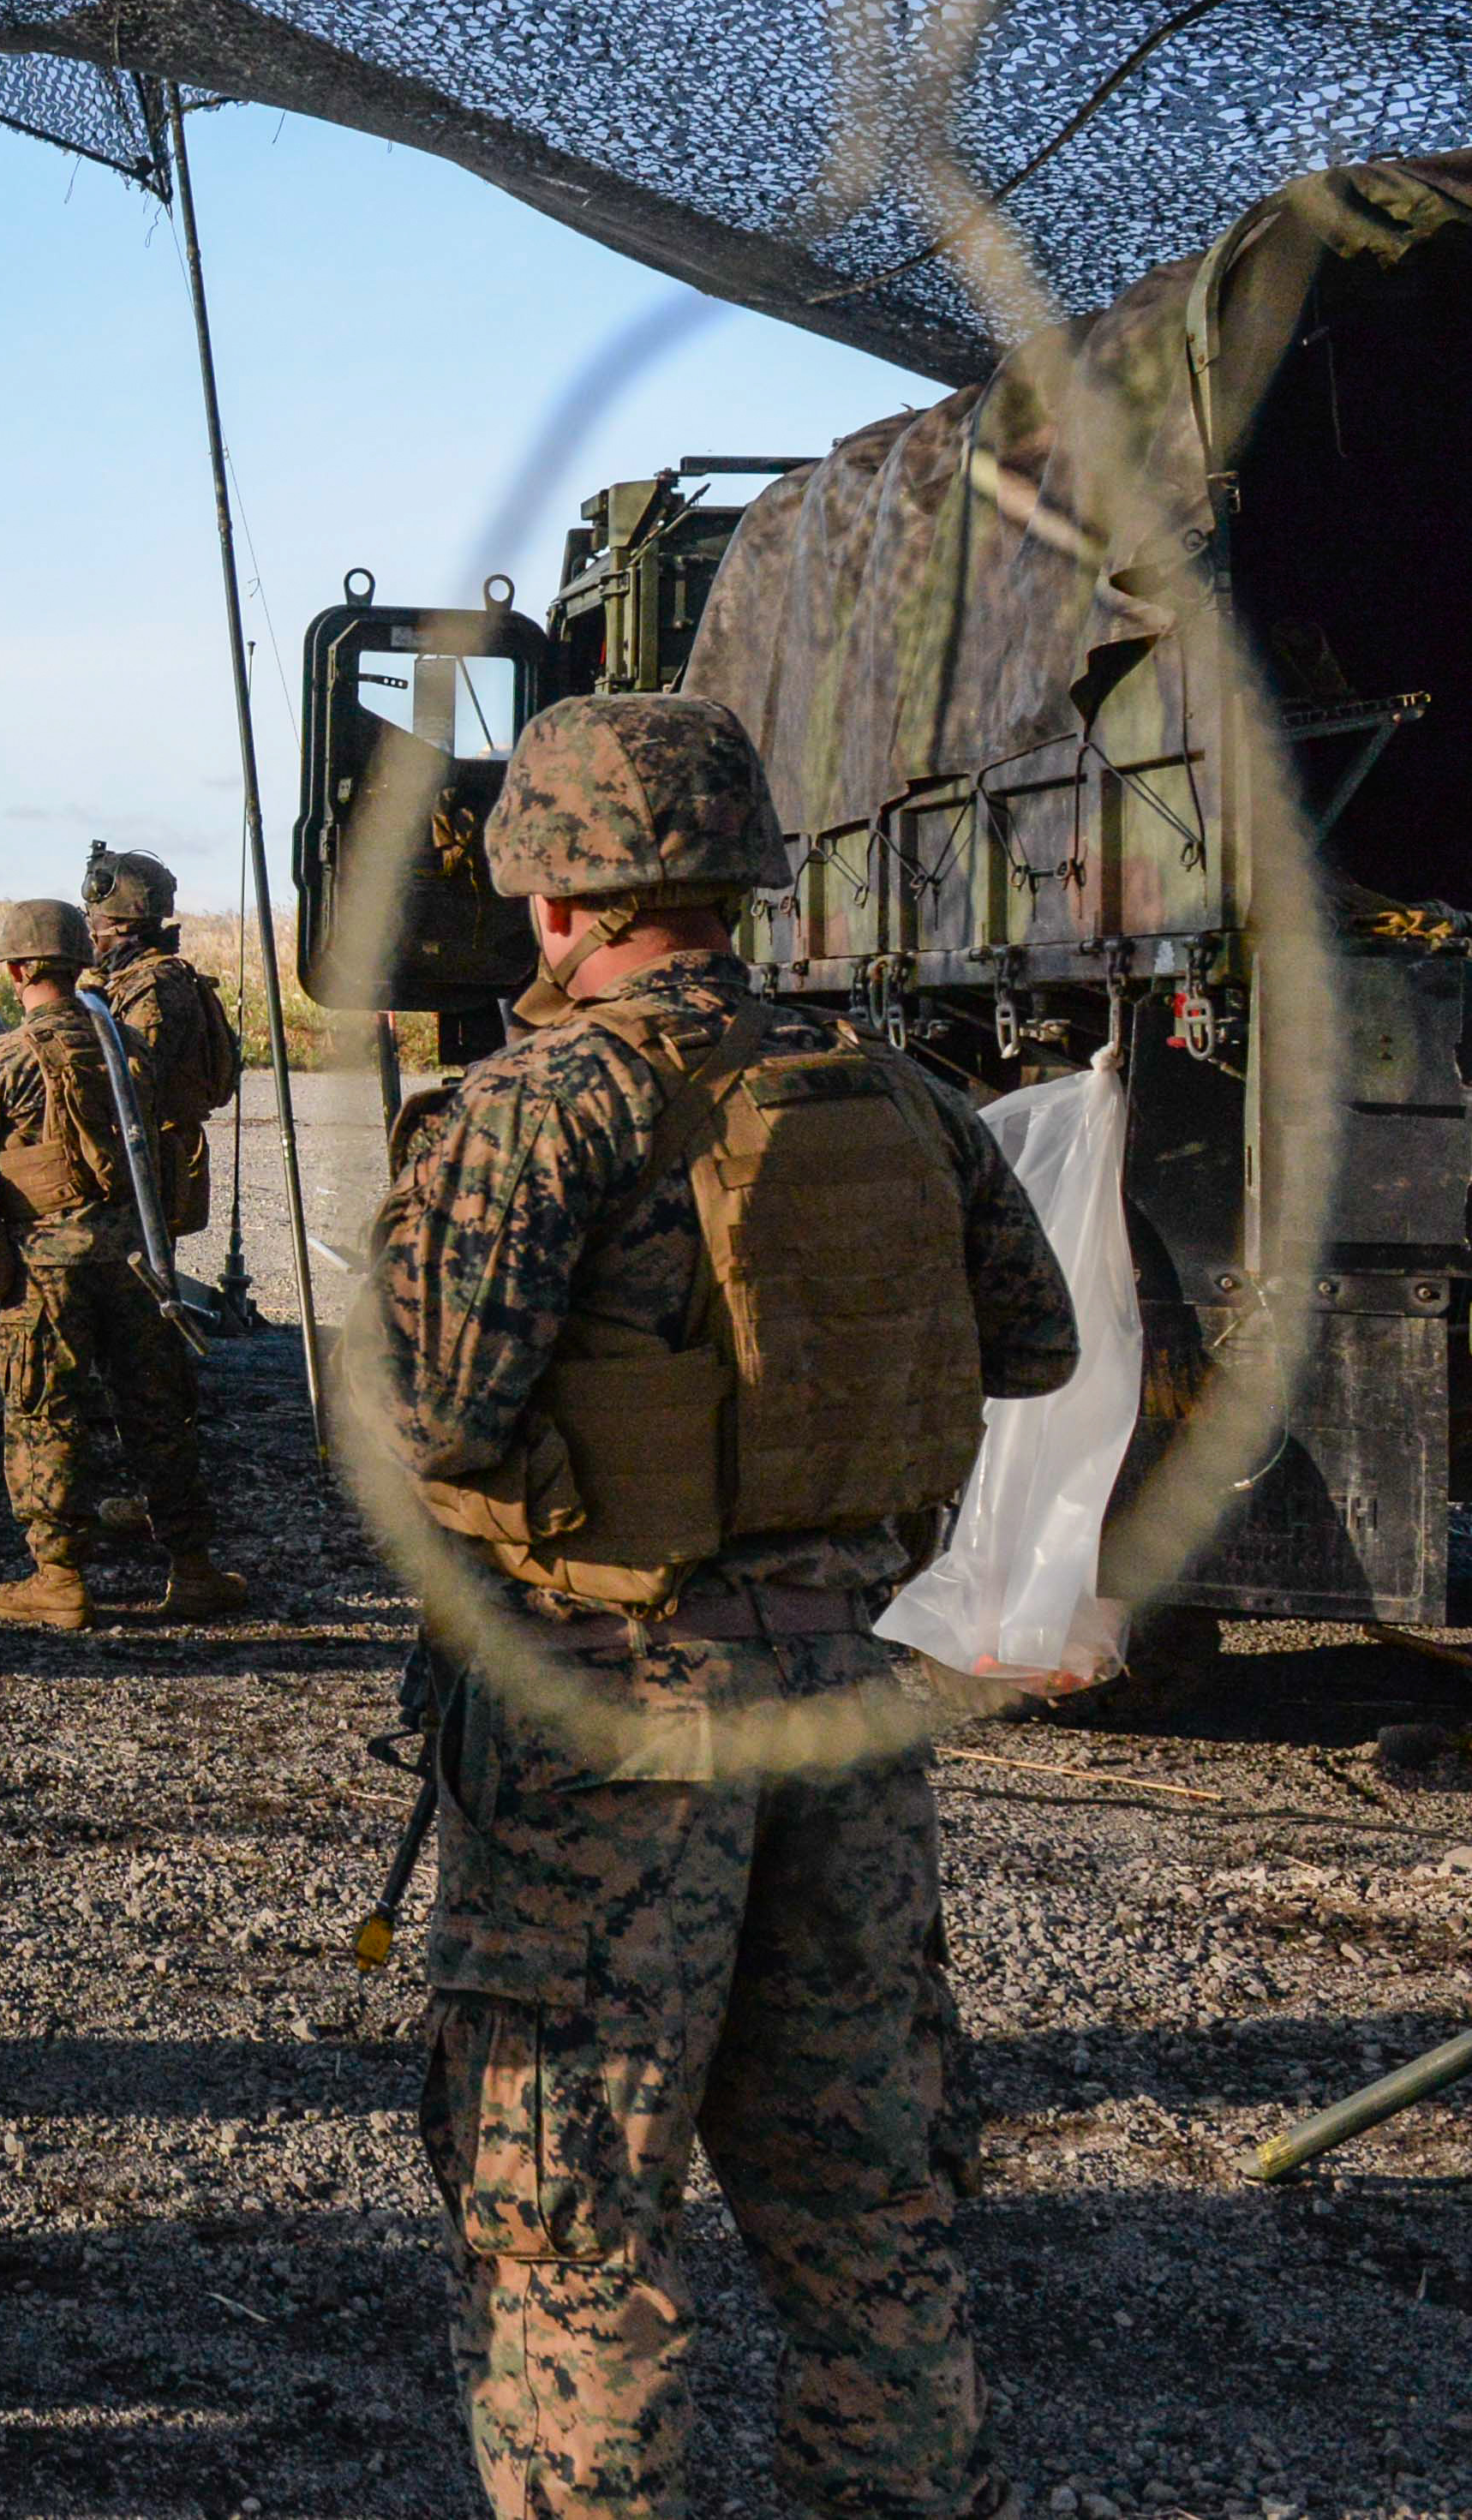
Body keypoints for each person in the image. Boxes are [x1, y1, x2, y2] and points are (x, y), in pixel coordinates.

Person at [377, 693, 1074, 2520]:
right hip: (847, 1699)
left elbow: (438, 1418)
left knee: (571, 2222)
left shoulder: (535, 1106)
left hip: (617, 1716)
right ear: (742, 878)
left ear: (549, 895)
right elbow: (1034, 1342)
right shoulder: (898, 1094)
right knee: (868, 2200)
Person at [0, 897, 246, 1629]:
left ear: (15, 971)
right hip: (139, 1262)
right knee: (159, 1412)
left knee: (45, 1412)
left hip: (46, 1271)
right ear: (81, 964)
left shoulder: (2, 1060)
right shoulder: (126, 1047)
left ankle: (59, 1579)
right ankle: (193, 1569)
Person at [84, 843, 243, 1246]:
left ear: (117, 924)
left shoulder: (153, 987)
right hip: (146, 1155)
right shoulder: (137, 979)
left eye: (94, 918)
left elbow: (131, 1085)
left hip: (152, 1159)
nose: (90, 929)